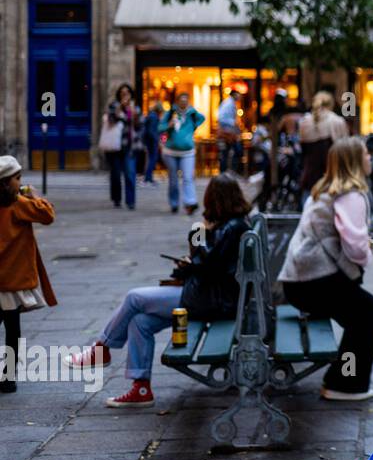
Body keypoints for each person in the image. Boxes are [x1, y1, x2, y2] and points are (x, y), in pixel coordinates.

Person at [64, 173, 251, 406]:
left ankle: (102, 348)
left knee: (134, 298)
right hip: (209, 295)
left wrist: (200, 233)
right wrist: (191, 257)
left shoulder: (234, 227)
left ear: (216, 199)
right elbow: (207, 261)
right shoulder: (230, 224)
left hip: (211, 300)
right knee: (140, 322)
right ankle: (141, 389)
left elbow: (209, 263)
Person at [278, 137, 373, 401]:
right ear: (353, 161)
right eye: (365, 154)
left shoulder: (323, 189)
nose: (369, 158)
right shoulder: (351, 194)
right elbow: (354, 244)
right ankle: (344, 384)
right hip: (314, 281)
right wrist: (365, 256)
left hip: (300, 281)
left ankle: (340, 378)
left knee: (361, 316)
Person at [0, 157, 56, 393]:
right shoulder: (19, 204)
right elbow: (47, 215)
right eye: (18, 178)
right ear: (5, 183)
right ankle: (9, 376)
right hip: (11, 281)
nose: (21, 183)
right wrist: (34, 196)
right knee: (13, 329)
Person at [298, 90, 350, 200]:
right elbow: (346, 151)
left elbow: (302, 152)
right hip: (332, 179)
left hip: (310, 179)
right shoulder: (337, 121)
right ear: (331, 104)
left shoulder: (304, 122)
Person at [161, 92, 205, 215]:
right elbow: (160, 127)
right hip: (170, 152)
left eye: (186, 101)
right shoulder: (170, 113)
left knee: (188, 178)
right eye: (181, 101)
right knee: (173, 180)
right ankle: (174, 203)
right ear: (177, 102)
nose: (183, 103)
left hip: (188, 152)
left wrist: (193, 111)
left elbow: (202, 118)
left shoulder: (191, 115)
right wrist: (168, 125)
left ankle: (190, 203)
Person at [103, 83, 139, 210]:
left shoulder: (134, 107)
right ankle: (117, 199)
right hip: (115, 146)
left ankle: (131, 201)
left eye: (127, 93)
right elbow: (111, 120)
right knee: (116, 175)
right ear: (119, 95)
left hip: (129, 146)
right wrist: (120, 107)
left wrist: (134, 114)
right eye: (122, 93)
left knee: (130, 174)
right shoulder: (114, 105)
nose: (125, 95)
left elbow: (139, 126)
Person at [216, 88, 243, 173]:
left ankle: (228, 172)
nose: (240, 96)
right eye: (239, 94)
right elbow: (221, 118)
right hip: (227, 134)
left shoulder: (230, 103)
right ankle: (228, 172)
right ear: (234, 94)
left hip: (229, 134)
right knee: (232, 152)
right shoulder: (228, 103)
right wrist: (233, 123)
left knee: (228, 153)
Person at [140, 101, 164, 185]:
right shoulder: (154, 117)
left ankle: (149, 177)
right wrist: (157, 140)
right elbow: (152, 131)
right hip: (151, 141)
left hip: (149, 140)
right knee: (153, 159)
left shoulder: (151, 115)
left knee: (151, 159)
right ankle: (148, 178)